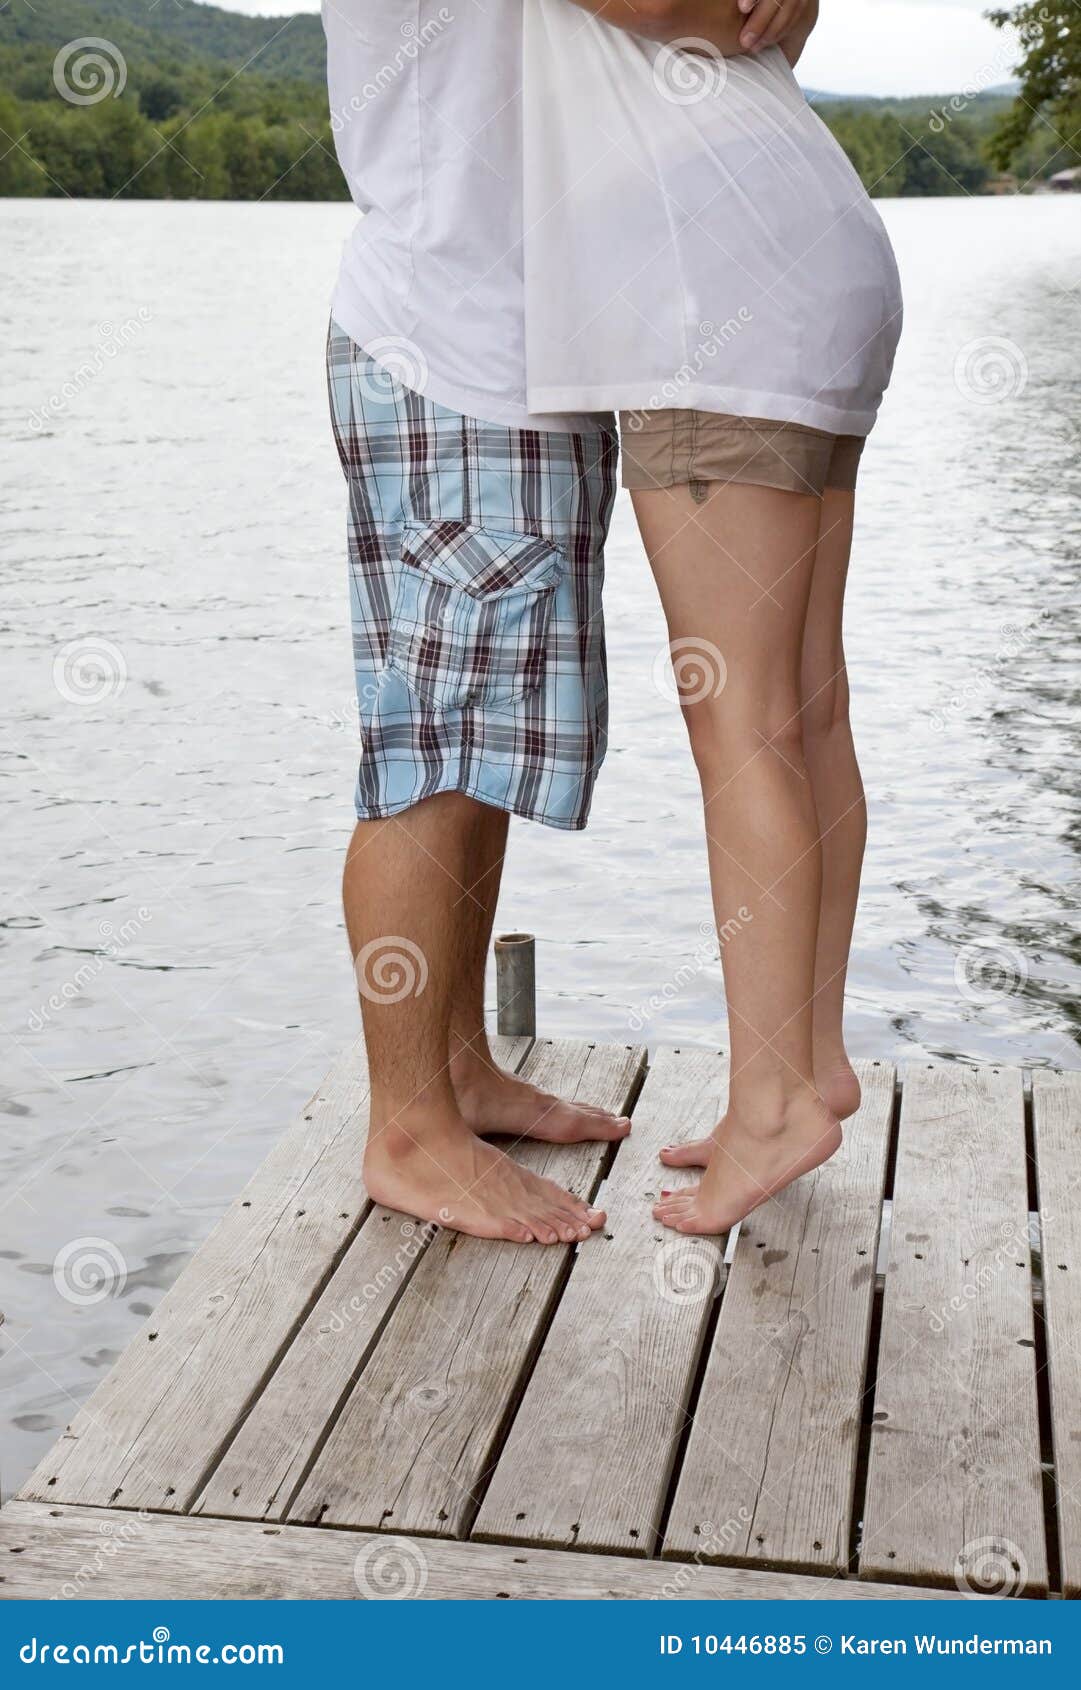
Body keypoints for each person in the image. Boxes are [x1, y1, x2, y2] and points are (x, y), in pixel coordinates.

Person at [525, 0, 903, 1234]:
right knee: (804, 705)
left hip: (710, 291)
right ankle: (812, 1060)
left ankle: (773, 1102)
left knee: (740, 724)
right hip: (812, 249)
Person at [321, 2, 638, 1247]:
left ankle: (456, 1071)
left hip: (495, 354)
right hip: (458, 352)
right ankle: (408, 1129)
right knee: (432, 751)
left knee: (479, 737)